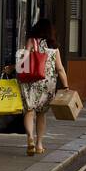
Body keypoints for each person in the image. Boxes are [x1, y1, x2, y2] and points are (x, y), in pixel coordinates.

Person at [19, 18, 68, 156]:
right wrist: (66, 86)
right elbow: (60, 69)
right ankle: (39, 144)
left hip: (31, 81)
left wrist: (13, 68)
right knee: (41, 114)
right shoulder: (54, 47)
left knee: (29, 110)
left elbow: (23, 62)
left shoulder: (32, 41)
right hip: (48, 84)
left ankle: (30, 138)